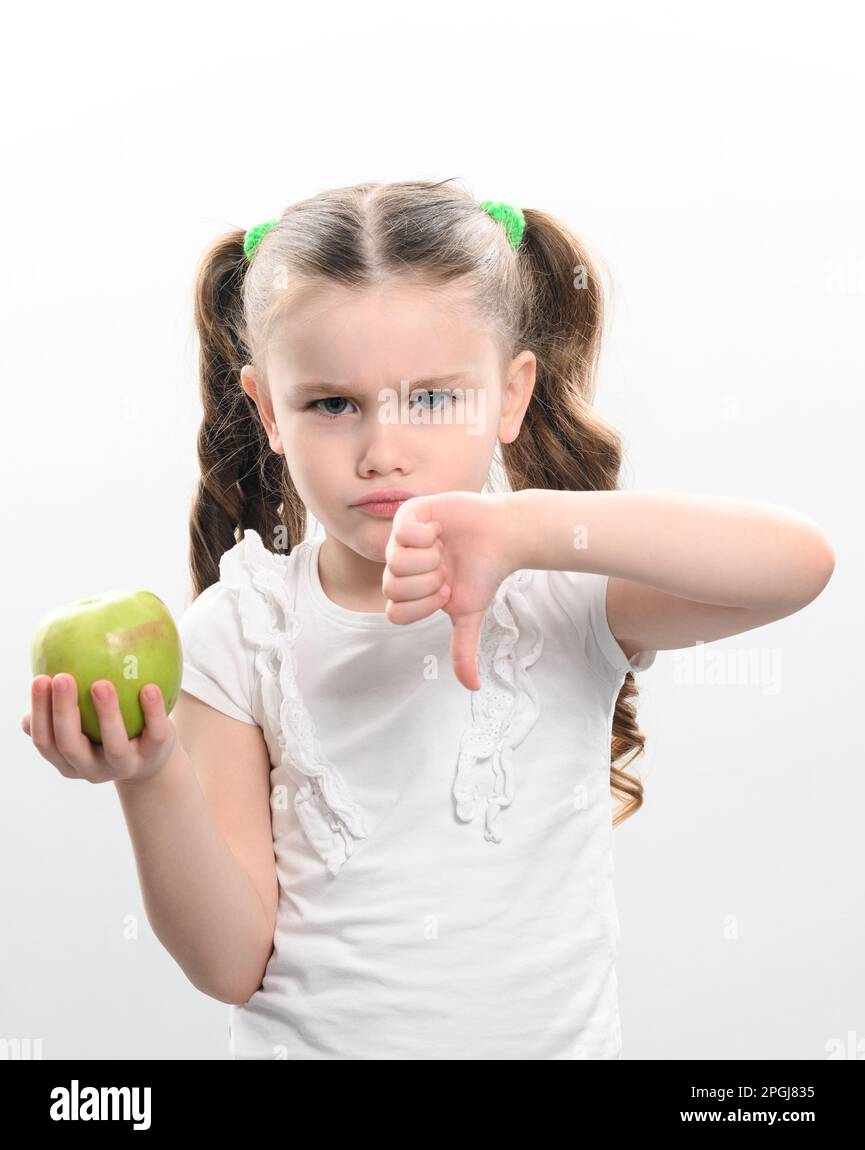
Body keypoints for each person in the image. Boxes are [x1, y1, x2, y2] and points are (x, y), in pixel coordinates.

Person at [25, 178, 835, 1060]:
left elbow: (796, 566)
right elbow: (230, 963)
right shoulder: (240, 630)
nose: (382, 451)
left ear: (510, 395)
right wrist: (150, 781)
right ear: (268, 412)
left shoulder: (560, 590)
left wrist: (525, 526)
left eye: (434, 398)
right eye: (332, 404)